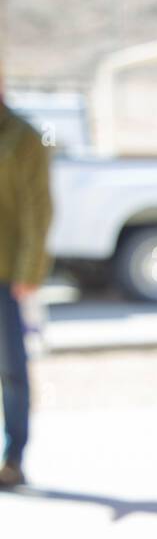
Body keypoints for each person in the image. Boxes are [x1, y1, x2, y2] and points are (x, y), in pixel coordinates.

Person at [0, 80, 52, 488]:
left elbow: (39, 209)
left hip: (7, 274)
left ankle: (13, 458)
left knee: (12, 371)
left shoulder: (22, 138)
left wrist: (28, 271)